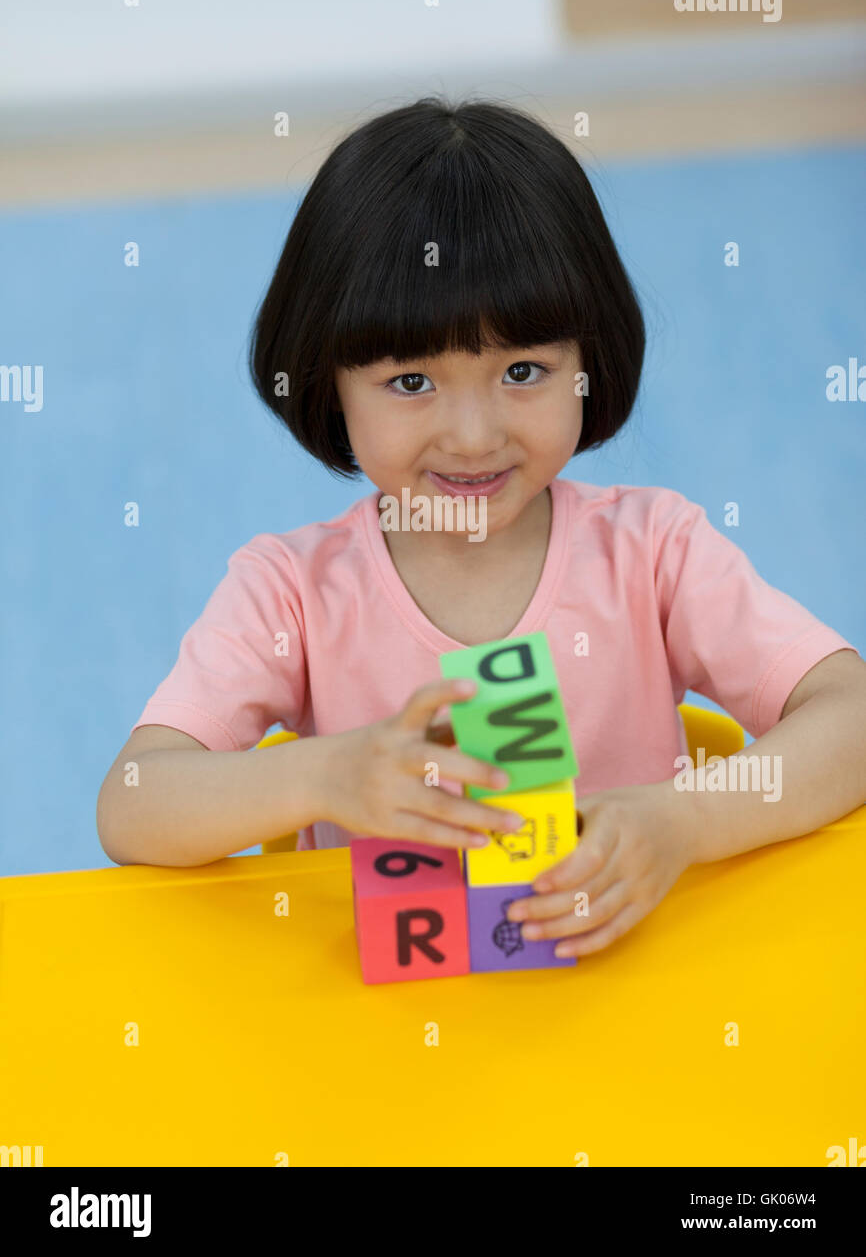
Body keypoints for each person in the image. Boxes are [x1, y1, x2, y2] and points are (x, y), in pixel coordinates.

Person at [97, 97, 865, 958]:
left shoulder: (657, 553)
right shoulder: (290, 591)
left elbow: (851, 715)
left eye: (525, 371)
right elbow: (132, 801)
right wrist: (322, 776)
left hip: (633, 1016)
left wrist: (686, 822)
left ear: (591, 364)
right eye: (411, 383)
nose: (473, 436)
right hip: (389, 1053)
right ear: (328, 383)